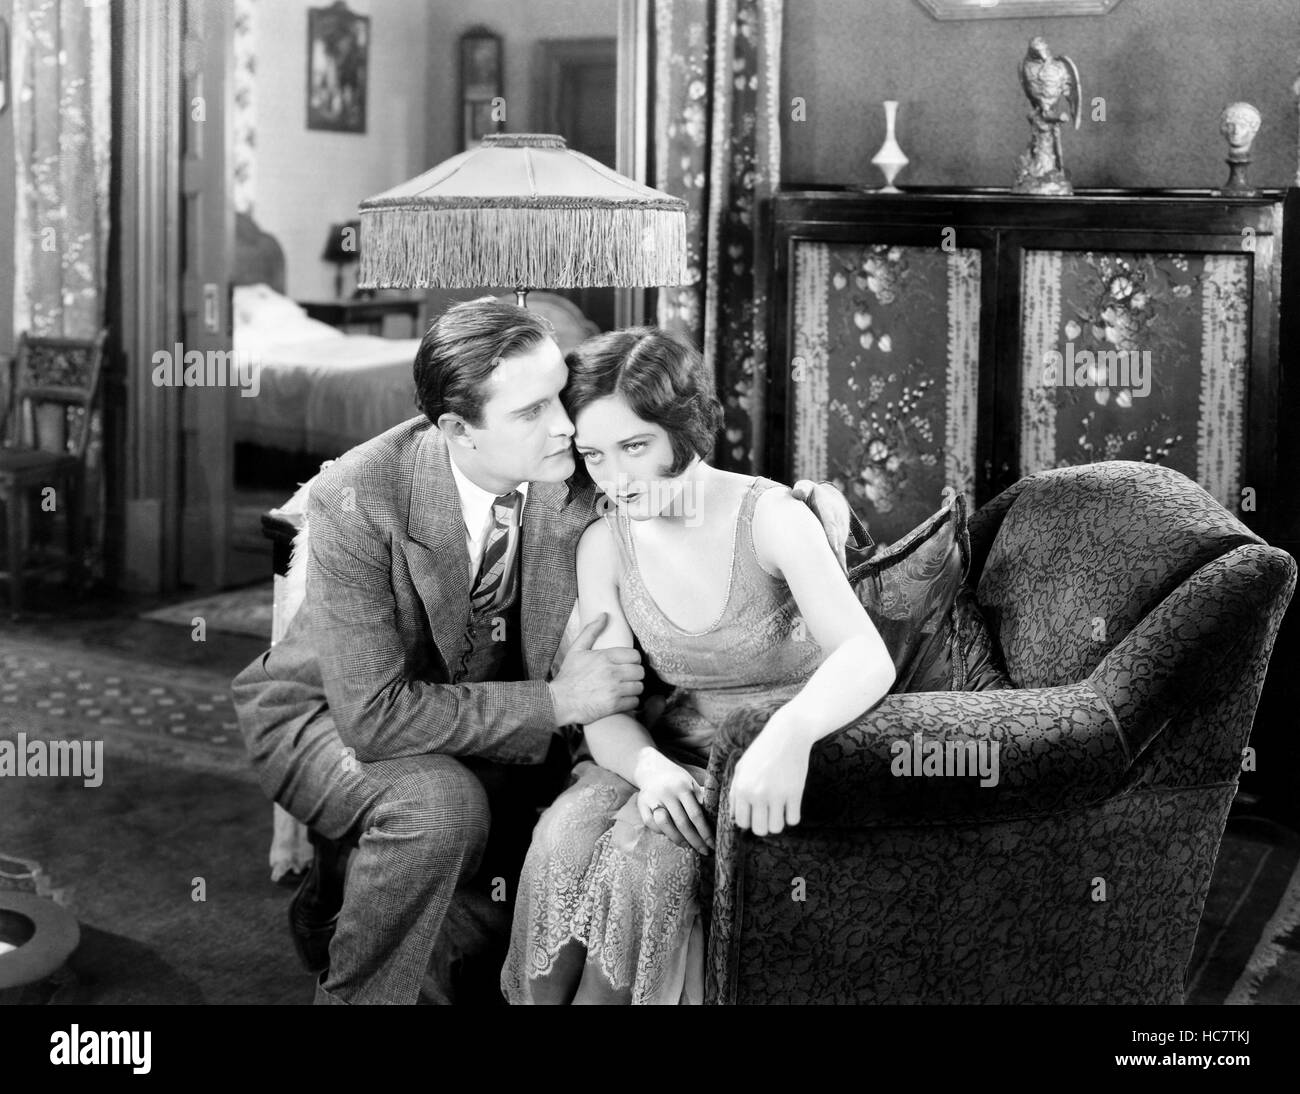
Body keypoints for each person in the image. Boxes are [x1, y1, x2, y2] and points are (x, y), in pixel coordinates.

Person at [232, 299, 848, 1005]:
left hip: (490, 732)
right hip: (330, 717)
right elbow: (372, 717)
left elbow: (670, 456)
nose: (564, 424)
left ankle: (348, 893)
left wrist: (795, 506)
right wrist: (559, 701)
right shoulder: (357, 496)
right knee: (439, 807)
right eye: (530, 412)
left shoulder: (583, 463)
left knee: (499, 910)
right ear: (459, 431)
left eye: (560, 393)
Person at [502, 327, 896, 1005]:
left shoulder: (770, 518)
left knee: (644, 863)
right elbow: (606, 705)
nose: (615, 480)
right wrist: (648, 768)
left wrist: (792, 732)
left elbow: (866, 655)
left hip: (776, 759)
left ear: (681, 428)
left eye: (635, 447)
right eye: (594, 454)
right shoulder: (604, 543)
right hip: (668, 754)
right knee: (561, 835)